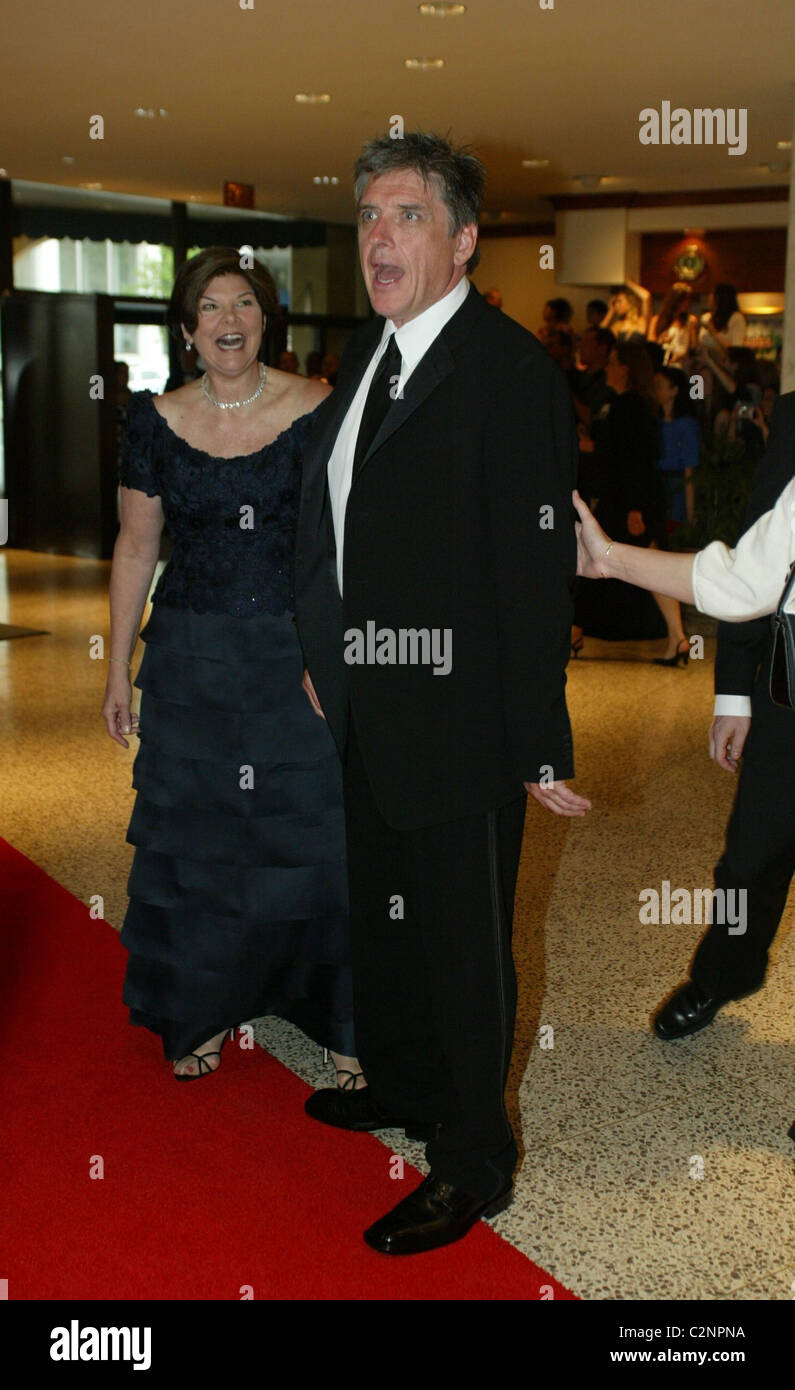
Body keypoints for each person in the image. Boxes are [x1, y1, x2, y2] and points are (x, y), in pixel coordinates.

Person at [295, 130, 590, 1256]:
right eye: (370, 215)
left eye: (407, 214)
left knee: (467, 945)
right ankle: (407, 1084)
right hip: (367, 705)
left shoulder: (509, 375)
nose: (380, 233)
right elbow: (327, 526)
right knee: (389, 917)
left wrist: (537, 740)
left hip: (464, 724)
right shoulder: (366, 360)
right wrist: (326, 658)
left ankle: (475, 1158)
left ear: (463, 241)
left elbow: (531, 568)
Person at [102, 247, 362, 1089]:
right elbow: (137, 547)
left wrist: (336, 654)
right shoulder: (154, 420)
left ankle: (335, 1017)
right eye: (210, 307)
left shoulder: (318, 407)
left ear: (264, 319)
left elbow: (341, 548)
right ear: (187, 330)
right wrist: (115, 669)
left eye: (243, 303)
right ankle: (201, 1007)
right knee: (200, 844)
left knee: (313, 837)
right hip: (191, 660)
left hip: (295, 659)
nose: (228, 320)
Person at [651, 391, 795, 1042]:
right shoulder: (793, 418)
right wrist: (734, 693)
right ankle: (722, 973)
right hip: (787, 690)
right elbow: (750, 562)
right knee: (751, 857)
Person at [573, 342, 684, 660]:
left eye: (612, 362)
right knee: (647, 563)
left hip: (630, 499)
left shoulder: (630, 405)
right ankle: (676, 637)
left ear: (626, 368)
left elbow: (637, 457)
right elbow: (621, 452)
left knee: (609, 558)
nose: (607, 368)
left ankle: (575, 631)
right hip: (627, 496)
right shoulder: (626, 403)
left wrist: (636, 508)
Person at [653, 365, 700, 528]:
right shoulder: (654, 421)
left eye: (659, 385)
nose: (655, 390)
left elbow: (689, 470)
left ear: (674, 391)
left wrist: (690, 512)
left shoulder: (686, 425)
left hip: (675, 488)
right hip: (657, 485)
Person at [572, 325, 614, 427]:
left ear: (602, 348)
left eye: (586, 343)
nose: (580, 347)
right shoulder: (577, 376)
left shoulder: (609, 381)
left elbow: (592, 418)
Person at [648, 283, 698, 365]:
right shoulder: (657, 320)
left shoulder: (691, 321)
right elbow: (650, 347)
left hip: (682, 364)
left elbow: (693, 348)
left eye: (688, 300)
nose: (686, 303)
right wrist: (660, 341)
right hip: (663, 362)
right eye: (683, 300)